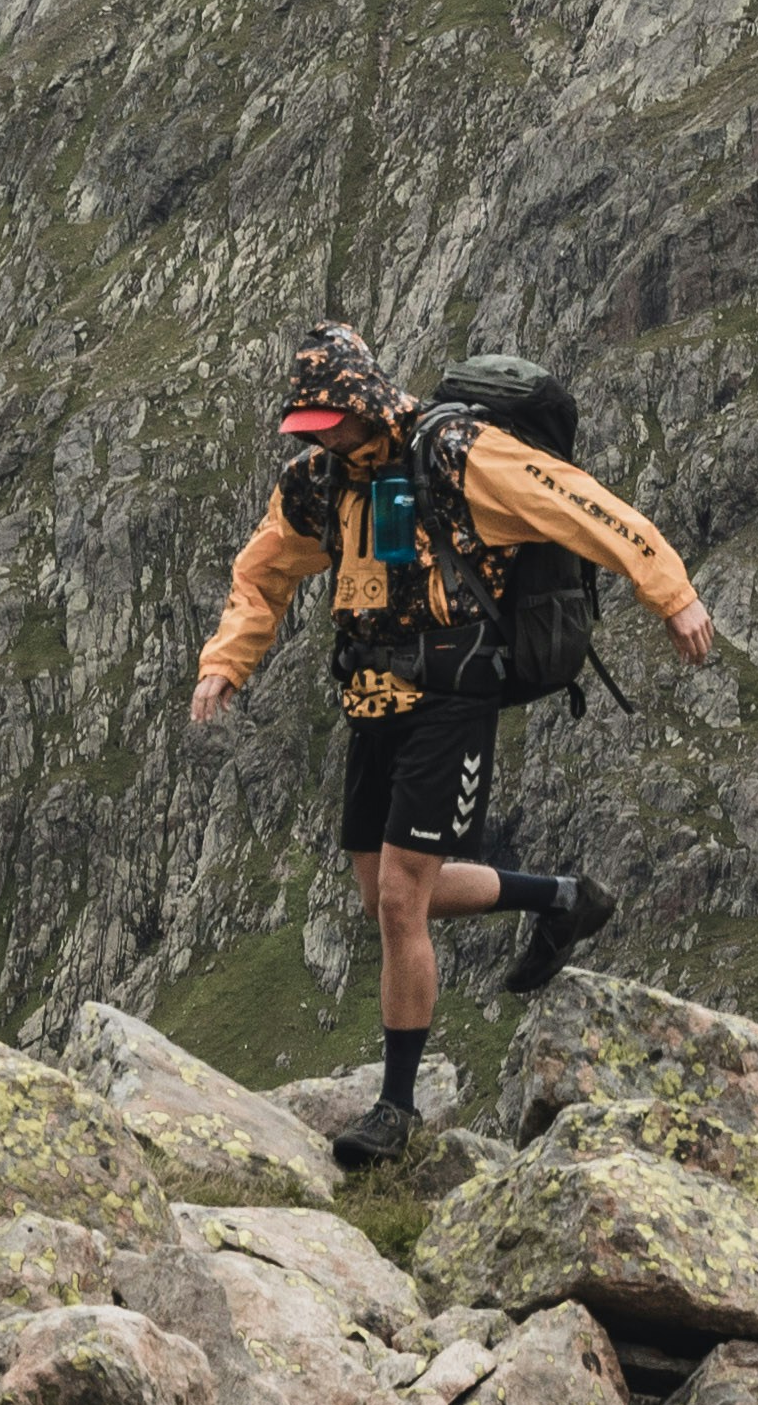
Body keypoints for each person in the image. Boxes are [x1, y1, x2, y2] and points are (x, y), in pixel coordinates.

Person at [188, 321, 712, 1166]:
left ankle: (395, 1111)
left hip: (452, 692)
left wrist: (671, 592)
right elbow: (263, 572)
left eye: (332, 424)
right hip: (371, 698)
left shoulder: (457, 452)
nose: (323, 441)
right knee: (381, 896)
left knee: (402, 898)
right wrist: (226, 663)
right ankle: (559, 897)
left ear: (362, 401)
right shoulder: (319, 482)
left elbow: (578, 504)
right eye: (310, 430)